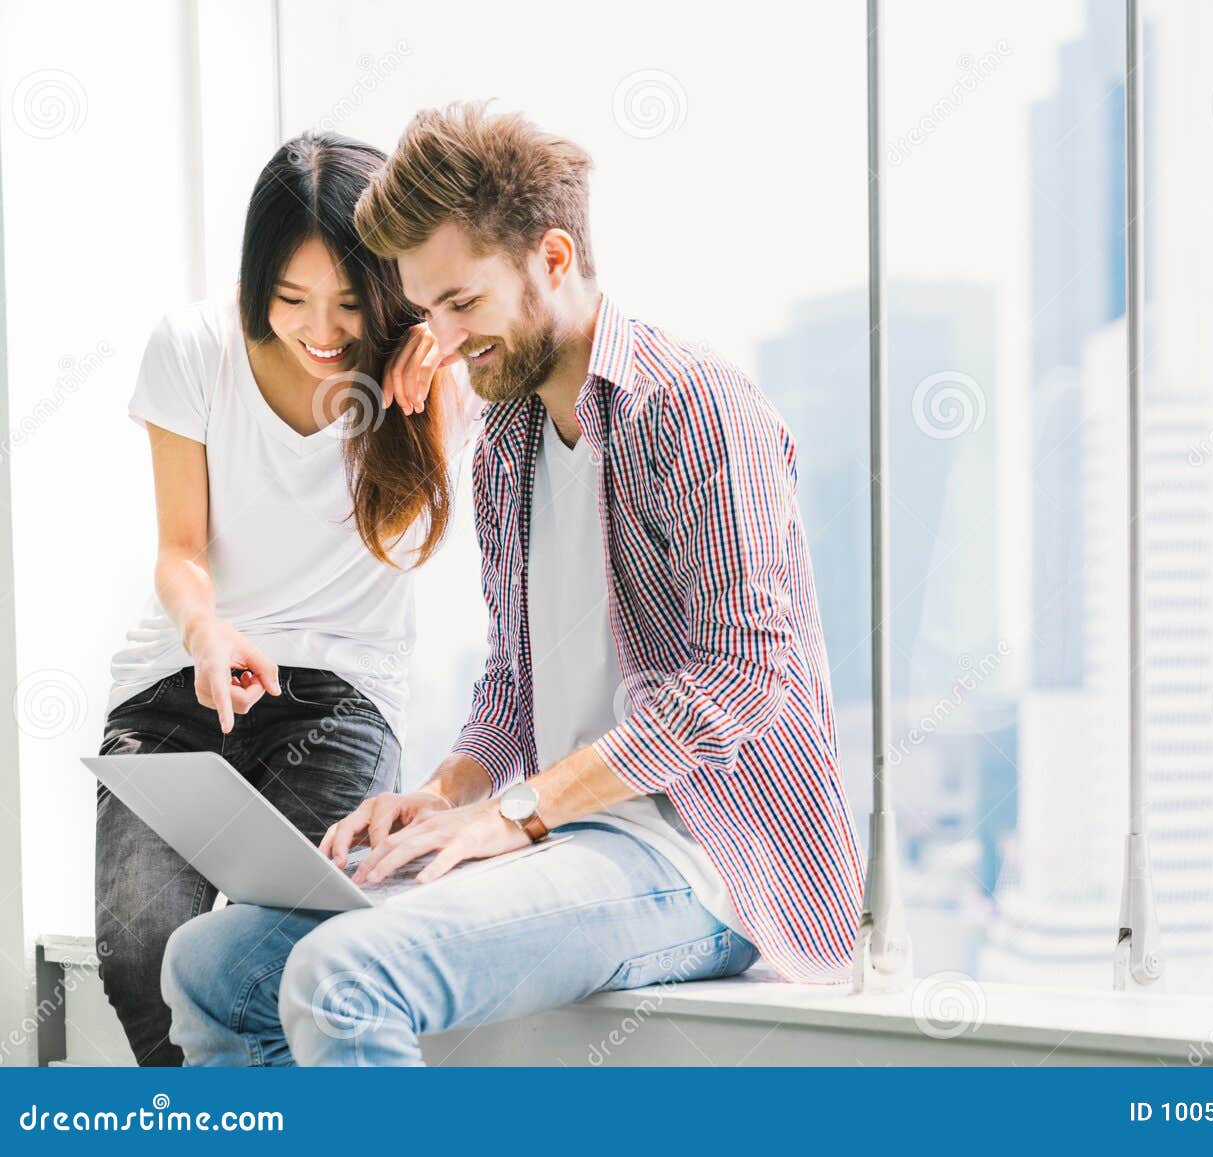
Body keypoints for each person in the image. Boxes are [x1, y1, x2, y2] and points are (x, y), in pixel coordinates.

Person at [161, 102, 864, 1066]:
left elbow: (743, 678)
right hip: (561, 836)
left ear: (555, 258)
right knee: (209, 962)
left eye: (462, 304)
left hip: (705, 859)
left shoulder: (693, 407)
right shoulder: (511, 442)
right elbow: (515, 688)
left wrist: (519, 809)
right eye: (426, 312)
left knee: (343, 976)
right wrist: (447, 792)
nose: (441, 340)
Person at [96, 131, 475, 1066]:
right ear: (254, 281)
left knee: (289, 950)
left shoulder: (428, 372)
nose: (323, 330)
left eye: (351, 303)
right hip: (188, 678)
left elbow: (533, 374)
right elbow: (180, 549)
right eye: (291, 299)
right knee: (139, 949)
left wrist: (443, 357)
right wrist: (205, 630)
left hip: (342, 695)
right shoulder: (193, 347)